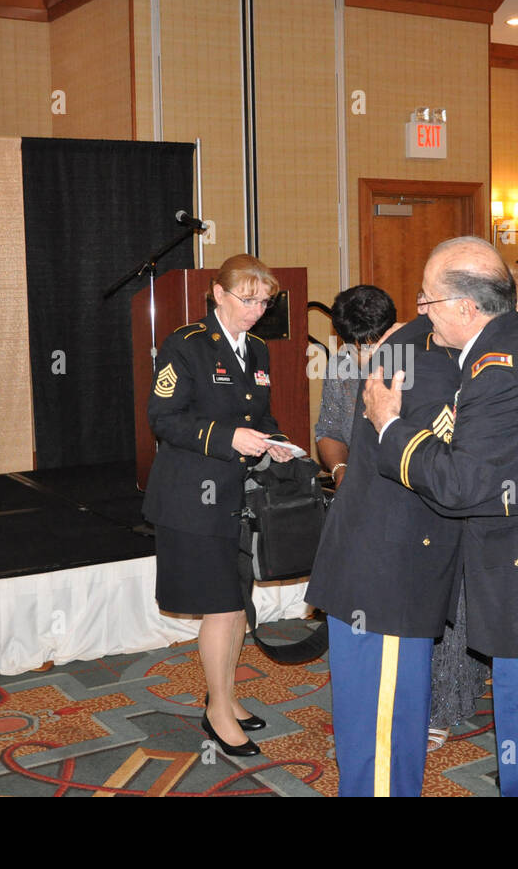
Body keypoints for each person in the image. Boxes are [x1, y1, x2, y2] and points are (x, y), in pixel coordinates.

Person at [363, 236, 518, 797]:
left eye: (427, 301)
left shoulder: (495, 369)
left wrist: (390, 427)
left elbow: (460, 486)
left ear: (465, 308)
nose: (420, 312)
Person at [143, 254, 295, 758]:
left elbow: (260, 413)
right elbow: (165, 418)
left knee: (235, 605)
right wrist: (231, 438)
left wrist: (274, 441)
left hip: (235, 495)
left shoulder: (255, 348)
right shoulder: (184, 346)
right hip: (192, 497)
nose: (256, 311)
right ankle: (216, 712)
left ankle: (225, 697)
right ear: (218, 294)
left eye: (264, 302)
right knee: (223, 606)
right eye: (247, 300)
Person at [306, 311, 464, 795]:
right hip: (388, 576)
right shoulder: (432, 367)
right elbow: (449, 478)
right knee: (382, 728)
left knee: (394, 723)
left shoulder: (416, 347)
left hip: (387, 567)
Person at [314, 285, 397, 488]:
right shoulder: (340, 365)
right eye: (362, 350)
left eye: (379, 346)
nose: (372, 356)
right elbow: (329, 430)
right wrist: (340, 470)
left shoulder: (414, 365)